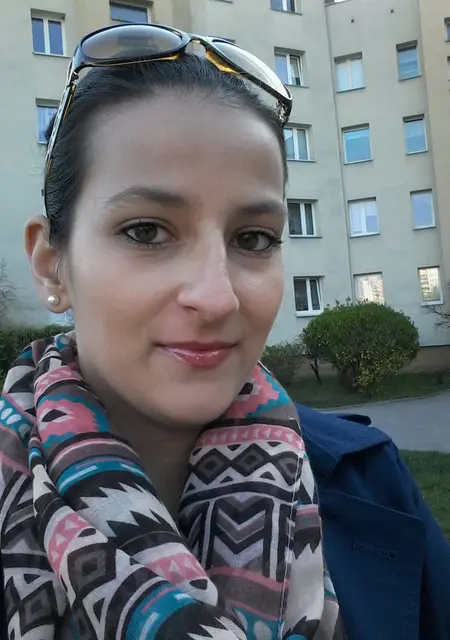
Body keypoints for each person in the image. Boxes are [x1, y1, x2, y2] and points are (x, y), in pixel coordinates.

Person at [0, 22, 448, 640]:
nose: (216, 297)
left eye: (254, 239)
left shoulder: (371, 482)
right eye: (146, 231)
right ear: (53, 264)